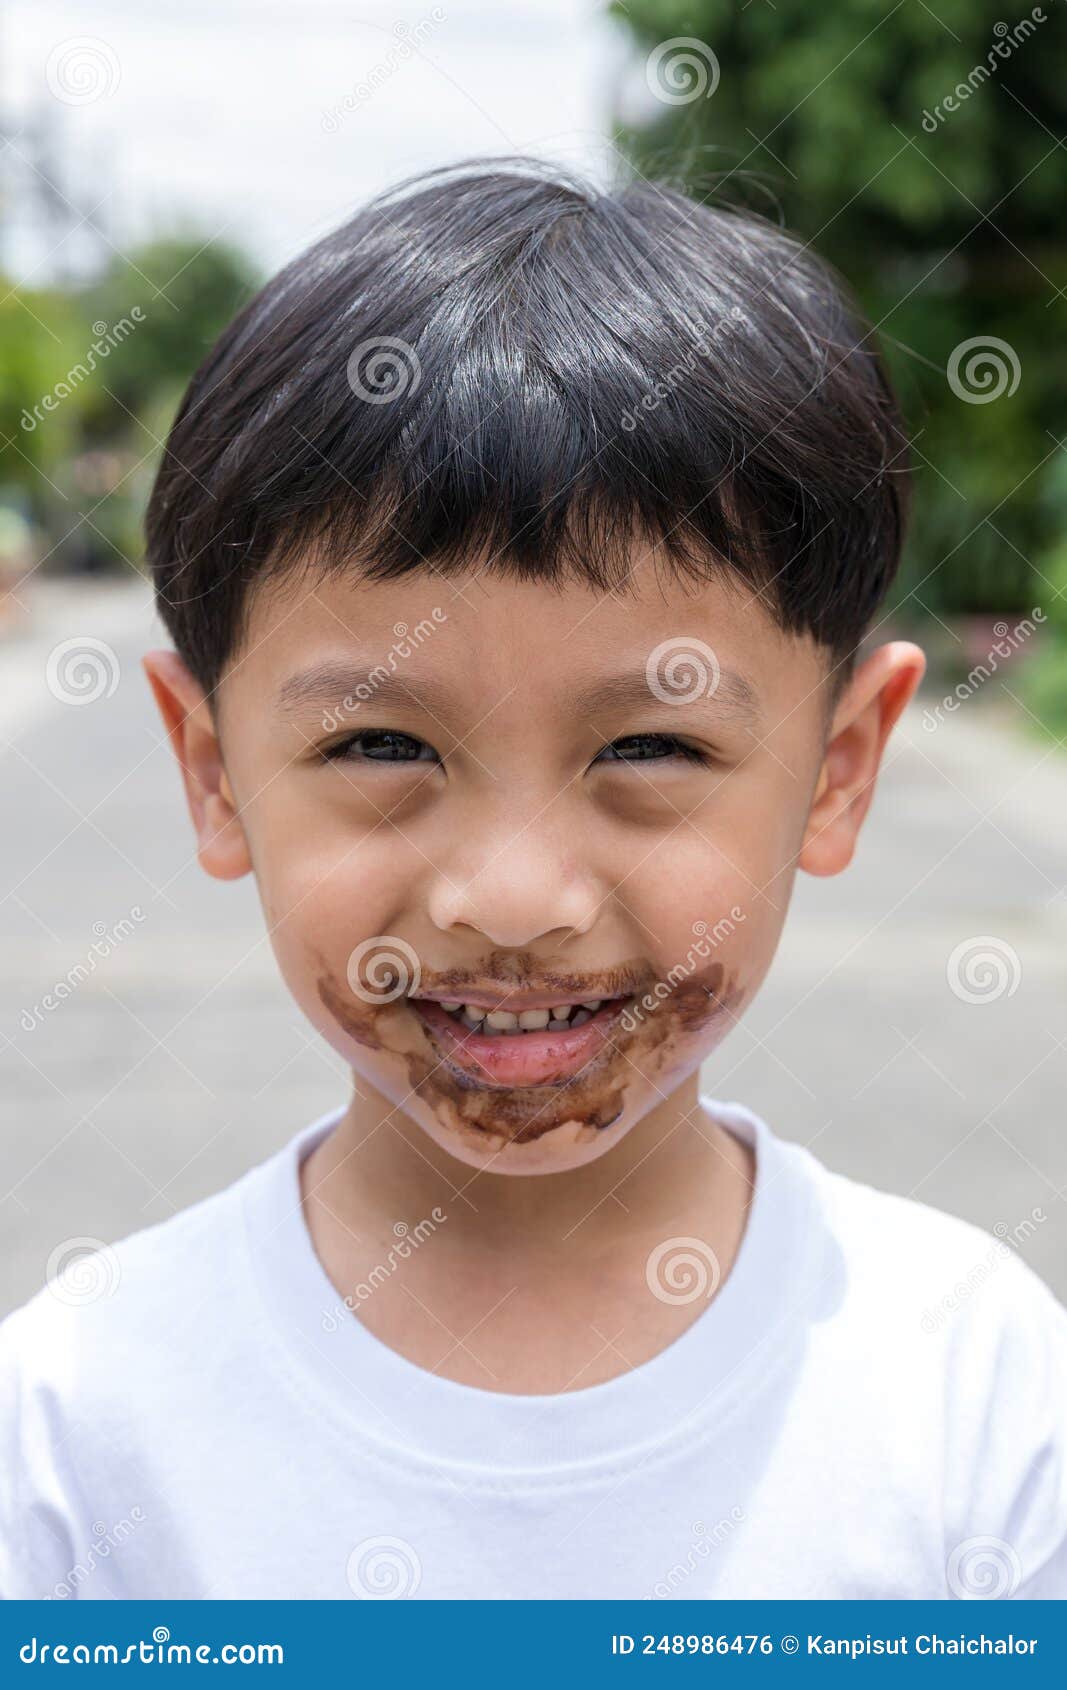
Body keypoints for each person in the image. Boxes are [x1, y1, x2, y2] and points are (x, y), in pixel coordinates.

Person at [1, 161, 1063, 1601]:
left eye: (650, 742)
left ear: (838, 768)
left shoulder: (976, 1393)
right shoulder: (74, 1426)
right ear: (210, 768)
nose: (512, 899)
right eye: (383, 739)